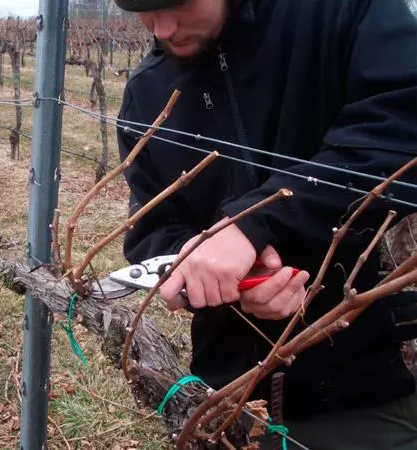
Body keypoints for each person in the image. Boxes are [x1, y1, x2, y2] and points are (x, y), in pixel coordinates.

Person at [113, 0, 417, 448]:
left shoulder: (343, 11)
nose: (161, 29)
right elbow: (154, 231)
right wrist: (220, 278)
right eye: (140, 9)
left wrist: (255, 223)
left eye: (179, 3)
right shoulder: (148, 94)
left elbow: (402, 129)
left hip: (370, 391)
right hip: (227, 398)